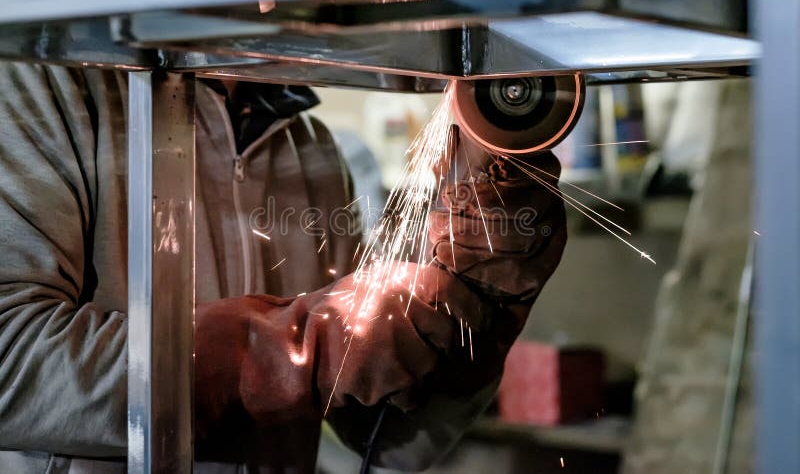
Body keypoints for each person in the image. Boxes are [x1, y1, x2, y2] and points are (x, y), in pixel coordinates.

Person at [0, 61, 566, 473]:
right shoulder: (44, 86)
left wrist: (476, 308)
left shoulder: (312, 149)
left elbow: (392, 444)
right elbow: (10, 366)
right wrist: (293, 354)